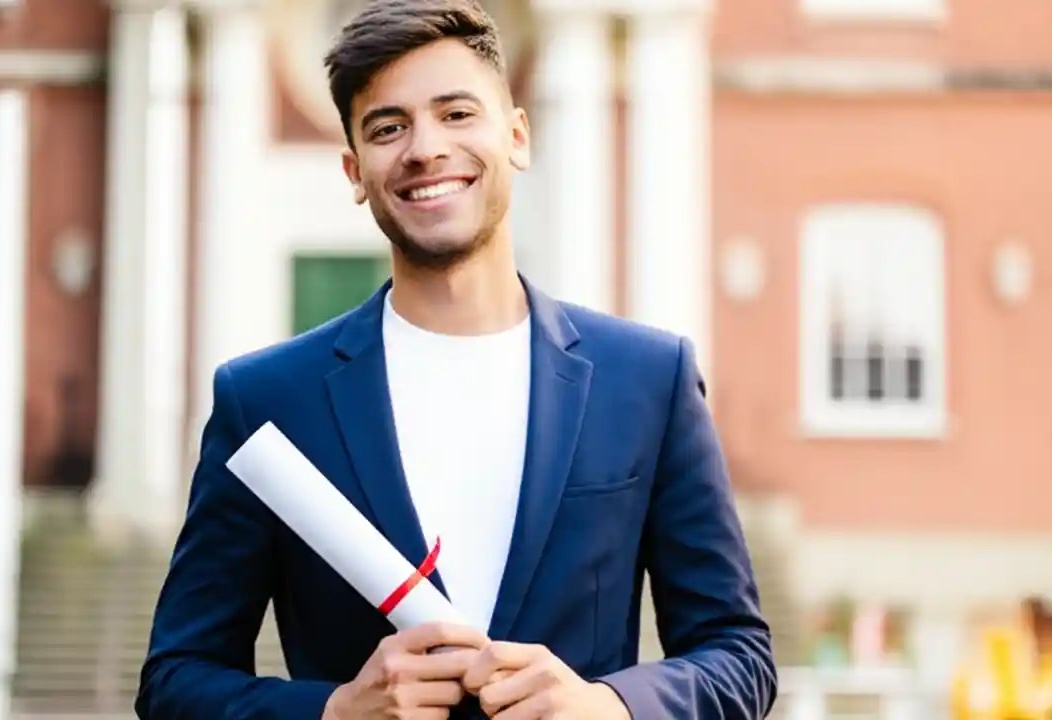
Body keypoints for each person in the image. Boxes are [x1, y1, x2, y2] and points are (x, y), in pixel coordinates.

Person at [135, 1, 776, 718]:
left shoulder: (647, 380)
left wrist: (611, 707)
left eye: (457, 113)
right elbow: (174, 680)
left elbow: (737, 656)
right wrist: (333, 712)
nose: (425, 148)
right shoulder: (267, 400)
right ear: (355, 170)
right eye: (388, 127)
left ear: (517, 135)